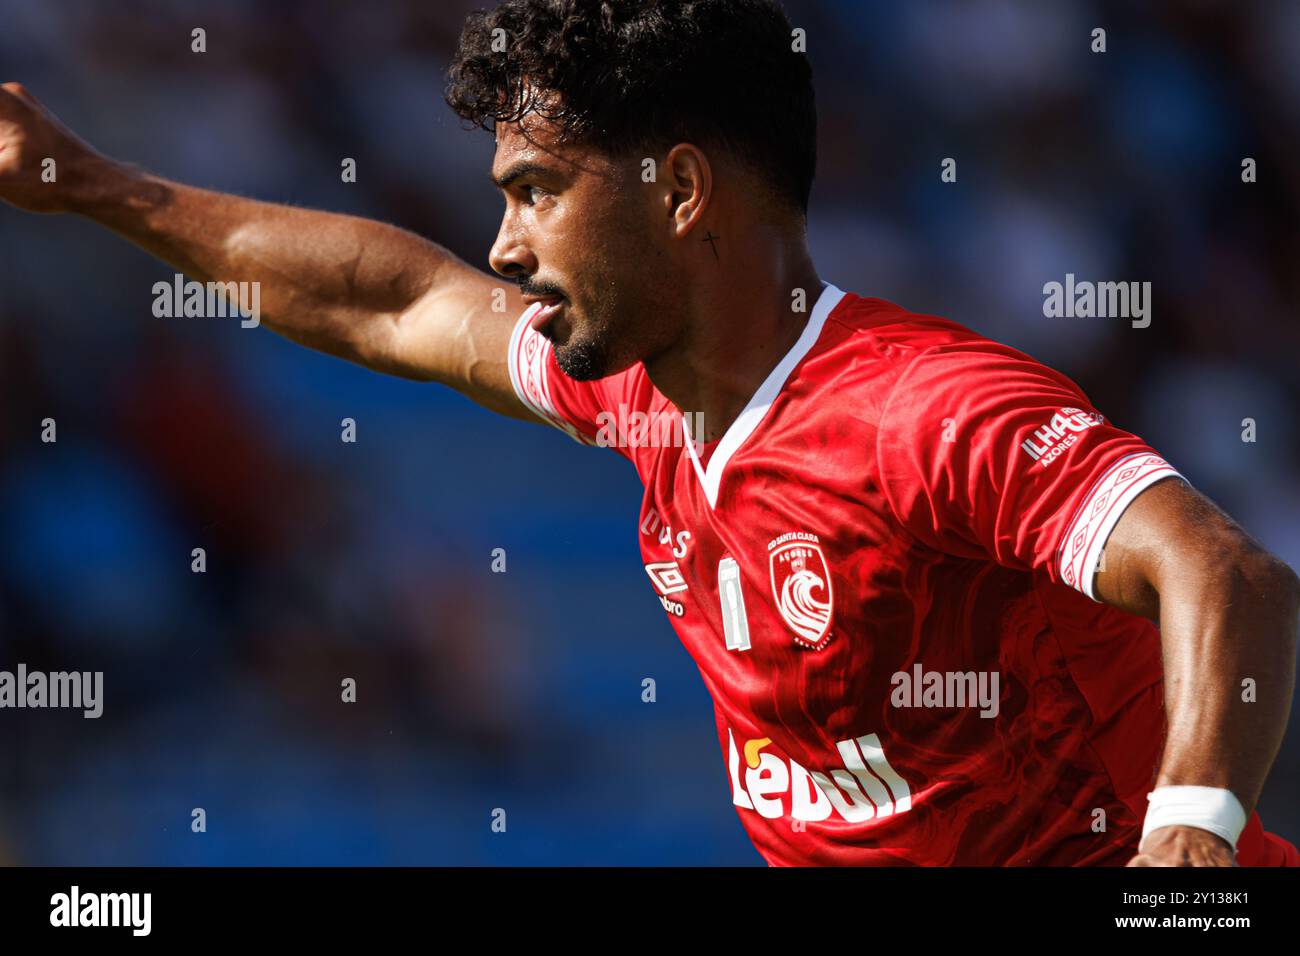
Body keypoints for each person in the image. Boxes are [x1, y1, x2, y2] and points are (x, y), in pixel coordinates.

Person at [1, 0, 1296, 866]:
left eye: (537, 193)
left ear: (679, 193)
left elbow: (1224, 572)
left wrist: (1192, 828)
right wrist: (91, 184)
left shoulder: (925, 411)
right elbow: (389, 297)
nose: (506, 245)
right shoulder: (632, 389)